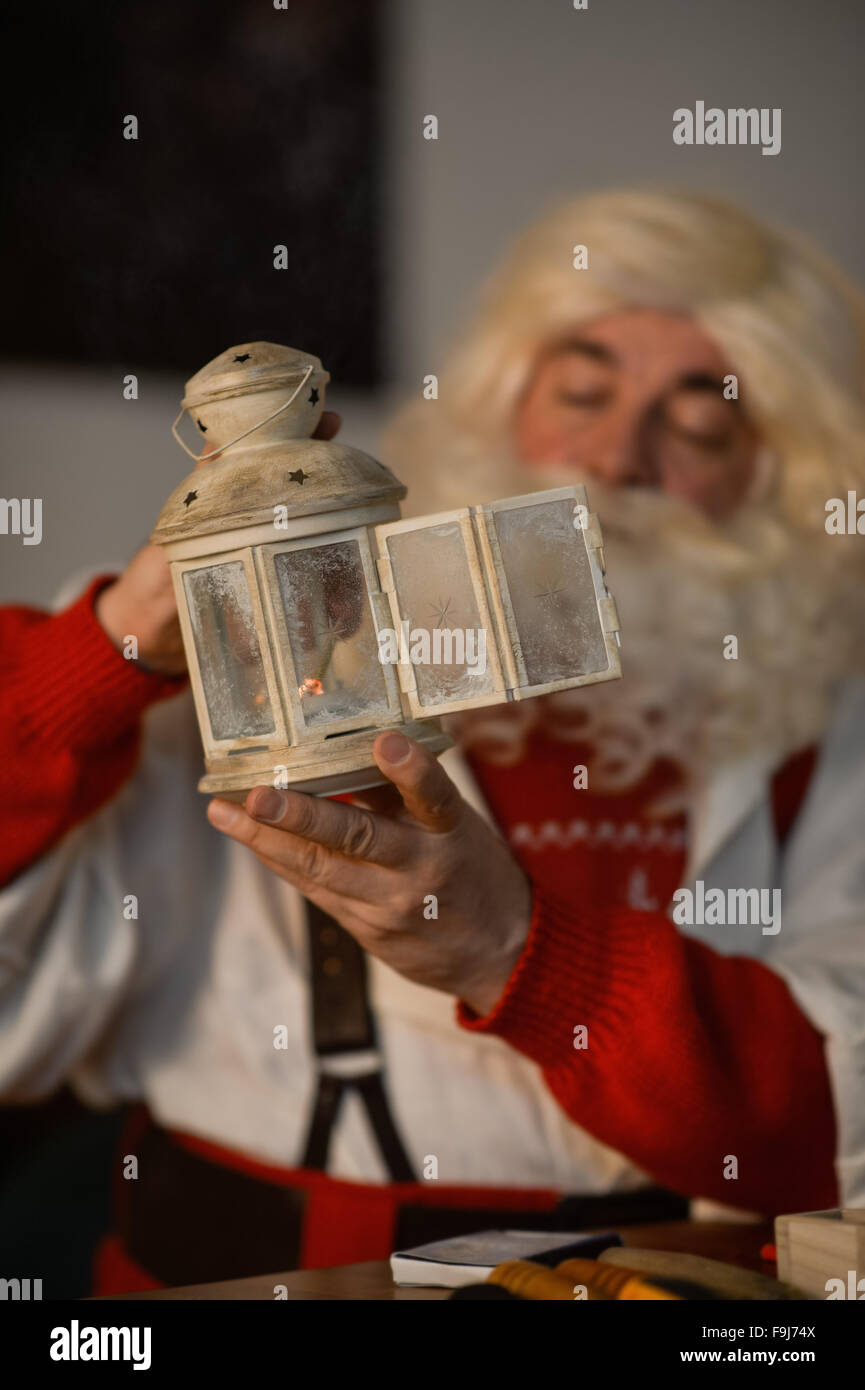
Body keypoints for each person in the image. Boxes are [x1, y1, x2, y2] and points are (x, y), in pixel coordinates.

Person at [2, 188, 864, 1294]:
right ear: (498, 409)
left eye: (701, 419)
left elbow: (836, 1108)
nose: (618, 455)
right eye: (583, 390)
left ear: (775, 473)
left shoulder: (825, 729)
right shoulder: (204, 658)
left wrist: (520, 954)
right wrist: (108, 654)